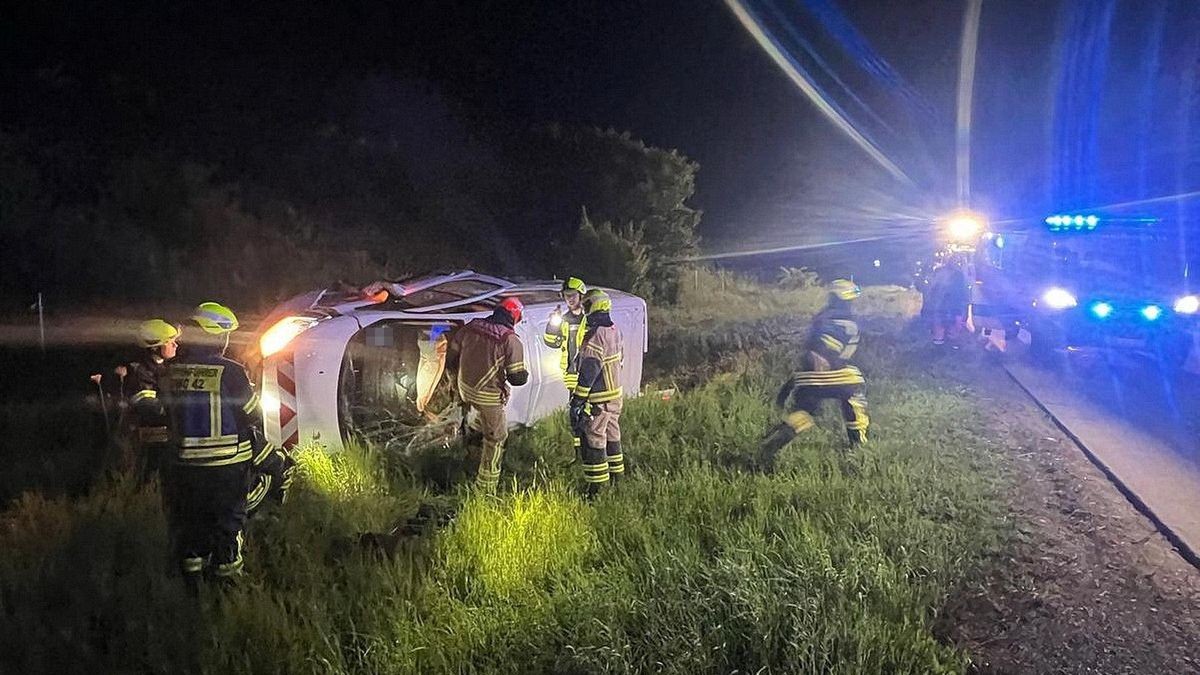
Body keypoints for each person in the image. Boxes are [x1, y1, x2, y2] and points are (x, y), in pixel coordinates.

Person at [161, 302, 259, 588]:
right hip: (226, 464)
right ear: (216, 336)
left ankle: (192, 584)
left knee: (193, 523)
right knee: (227, 524)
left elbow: (165, 410)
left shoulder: (172, 370)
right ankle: (227, 585)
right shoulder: (231, 371)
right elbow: (251, 412)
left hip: (184, 466)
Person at [759, 279, 869, 470]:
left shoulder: (820, 318)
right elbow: (827, 348)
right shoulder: (846, 321)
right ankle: (859, 445)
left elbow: (811, 349)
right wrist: (824, 358)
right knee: (855, 393)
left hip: (807, 378)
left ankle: (775, 442)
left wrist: (792, 383)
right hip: (836, 375)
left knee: (804, 412)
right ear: (847, 299)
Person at [444, 297, 528, 492]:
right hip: (488, 397)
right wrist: (524, 373)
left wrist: (455, 381)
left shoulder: (471, 327)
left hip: (464, 389)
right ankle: (486, 488)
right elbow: (517, 378)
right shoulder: (509, 340)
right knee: (497, 437)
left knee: (477, 423)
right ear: (515, 317)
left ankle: (470, 454)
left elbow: (452, 357)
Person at [570, 289, 625, 496]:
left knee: (594, 438)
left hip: (598, 399)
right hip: (615, 396)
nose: (584, 310)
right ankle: (618, 480)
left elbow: (589, 372)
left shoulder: (595, 335)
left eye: (586, 305)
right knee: (613, 435)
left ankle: (597, 489)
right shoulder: (615, 330)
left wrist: (578, 400)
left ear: (594, 305)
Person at [544, 277, 588, 454]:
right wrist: (552, 324)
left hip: (588, 373)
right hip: (571, 374)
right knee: (574, 414)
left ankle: (591, 449)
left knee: (588, 413)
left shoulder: (589, 318)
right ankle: (579, 452)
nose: (569, 299)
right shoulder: (563, 320)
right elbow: (551, 342)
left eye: (573, 295)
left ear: (581, 296)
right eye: (566, 295)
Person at [926, 255, 970, 347]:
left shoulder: (944, 272)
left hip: (948, 303)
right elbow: (964, 288)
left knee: (948, 325)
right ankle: (944, 344)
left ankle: (945, 343)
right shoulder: (950, 273)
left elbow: (932, 287)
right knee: (945, 325)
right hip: (946, 303)